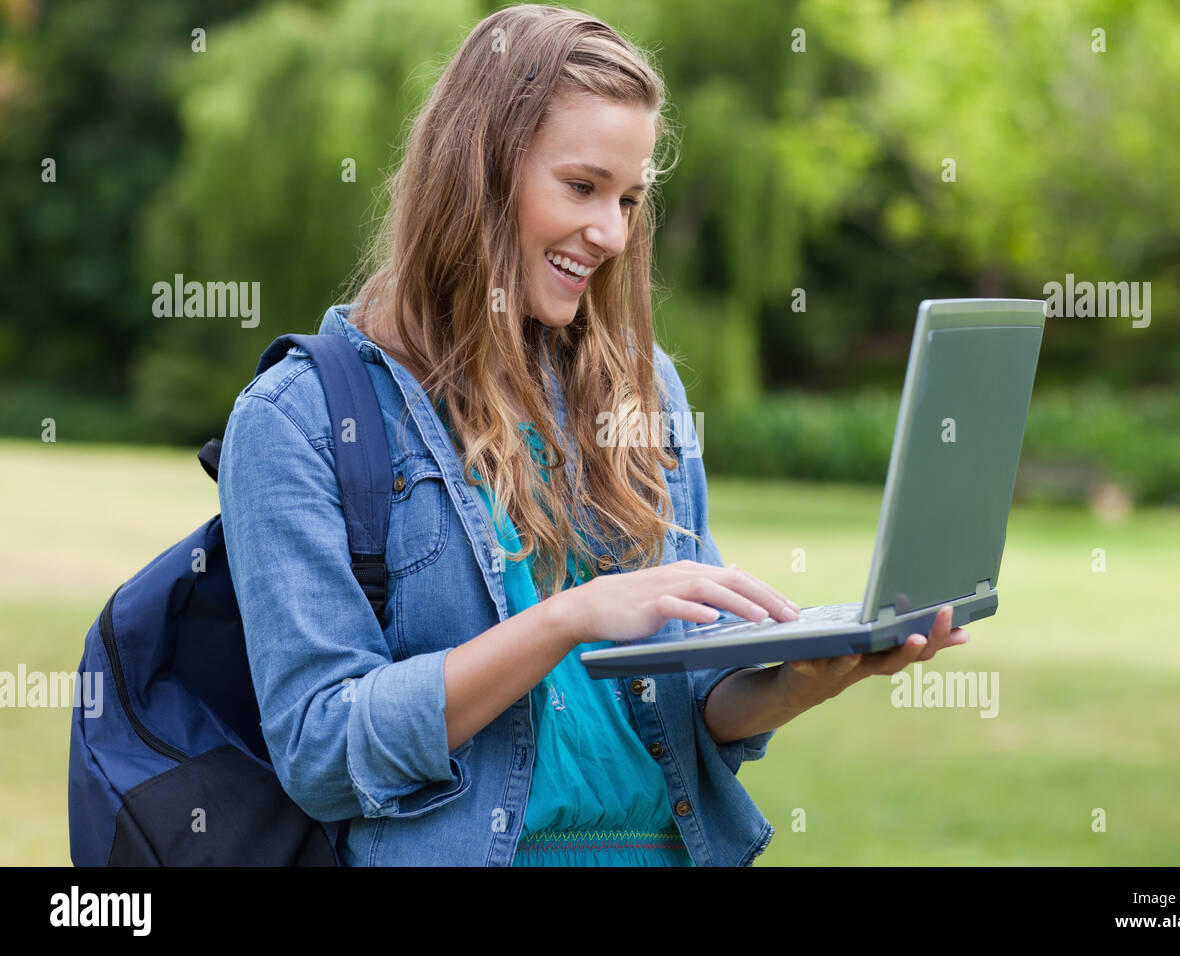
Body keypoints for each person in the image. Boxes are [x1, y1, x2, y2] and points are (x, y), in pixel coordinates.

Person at [217, 3, 969, 867]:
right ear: (479, 174)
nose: (612, 233)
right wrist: (563, 622)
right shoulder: (297, 418)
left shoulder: (645, 390)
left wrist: (800, 680)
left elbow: (692, 702)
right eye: (581, 188)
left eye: (629, 199)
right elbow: (323, 749)